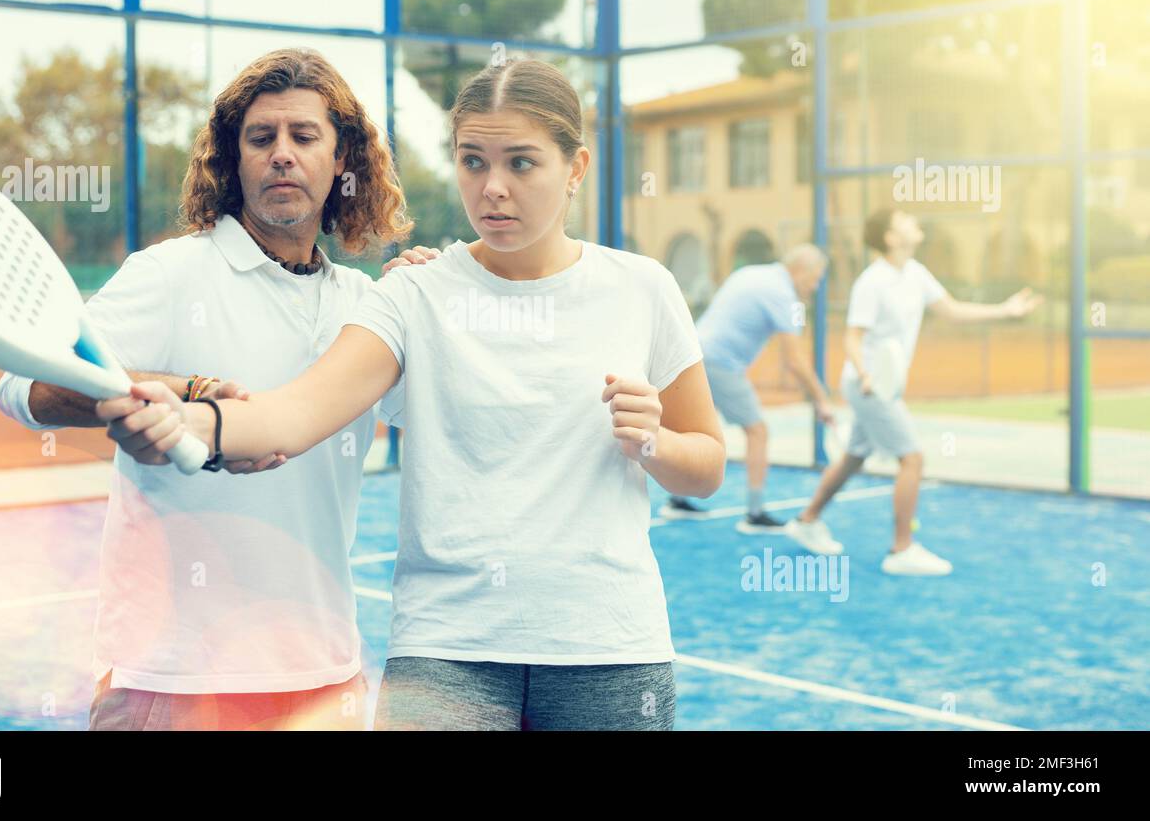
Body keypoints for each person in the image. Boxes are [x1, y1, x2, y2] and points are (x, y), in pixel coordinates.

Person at [97, 58, 727, 731]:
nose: (493, 189)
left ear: (575, 168)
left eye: (521, 164)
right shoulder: (411, 293)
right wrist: (189, 418)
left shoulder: (644, 288)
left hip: (612, 649)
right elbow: (295, 412)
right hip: (446, 654)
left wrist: (654, 440)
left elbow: (708, 462)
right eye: (472, 161)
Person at [0, 48, 441, 730]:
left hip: (324, 680)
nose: (282, 154)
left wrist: (435, 305)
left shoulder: (367, 304)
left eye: (304, 136)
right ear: (233, 162)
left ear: (343, 158)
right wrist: (181, 391)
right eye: (261, 139)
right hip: (170, 679)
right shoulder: (170, 275)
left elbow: (441, 410)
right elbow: (23, 383)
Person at [783, 207, 1041, 576]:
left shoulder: (915, 274)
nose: (913, 223)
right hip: (869, 388)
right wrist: (866, 374)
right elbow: (853, 337)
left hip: (880, 386)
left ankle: (807, 521)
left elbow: (951, 309)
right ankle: (901, 549)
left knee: (855, 456)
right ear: (890, 237)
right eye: (904, 220)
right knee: (913, 458)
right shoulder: (872, 282)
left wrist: (1006, 310)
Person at [661, 244, 835, 532]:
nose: (815, 286)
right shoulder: (785, 296)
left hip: (696, 353)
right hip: (720, 363)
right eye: (815, 278)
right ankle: (755, 514)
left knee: (694, 428)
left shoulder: (754, 274)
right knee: (757, 430)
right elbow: (794, 359)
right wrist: (821, 399)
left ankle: (677, 499)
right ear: (800, 270)